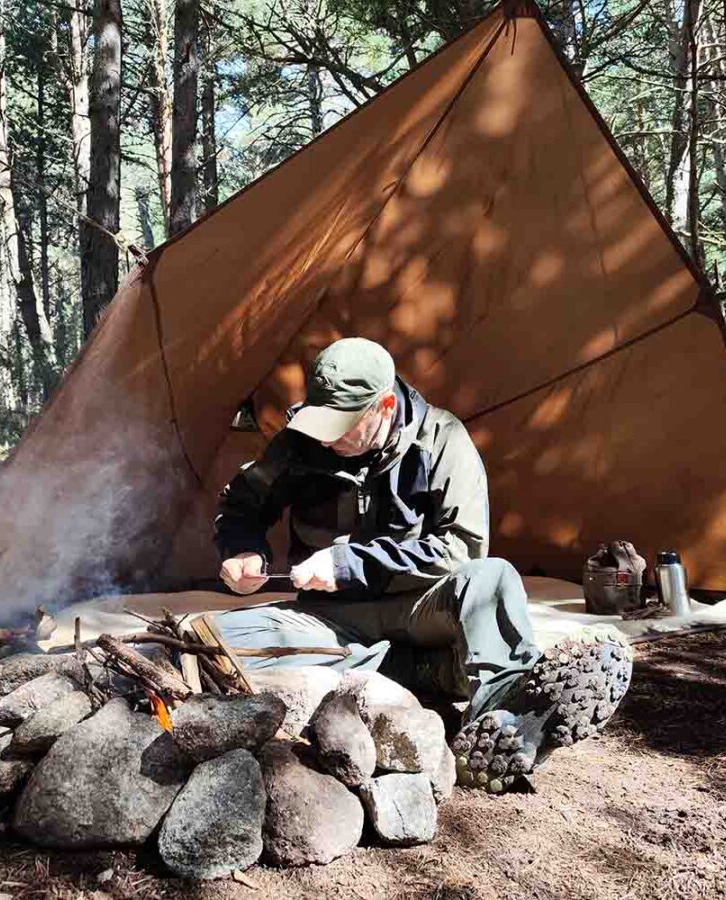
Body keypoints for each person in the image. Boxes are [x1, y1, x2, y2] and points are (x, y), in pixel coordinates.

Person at [212, 337, 631, 791]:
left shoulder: (442, 440)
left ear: (384, 406)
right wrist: (243, 549)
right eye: (322, 422)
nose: (328, 438)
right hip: (332, 619)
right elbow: (242, 503)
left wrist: (350, 565)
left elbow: (462, 546)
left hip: (417, 609)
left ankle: (505, 717)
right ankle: (431, 673)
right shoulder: (302, 443)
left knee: (490, 579)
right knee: (215, 637)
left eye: (342, 425)